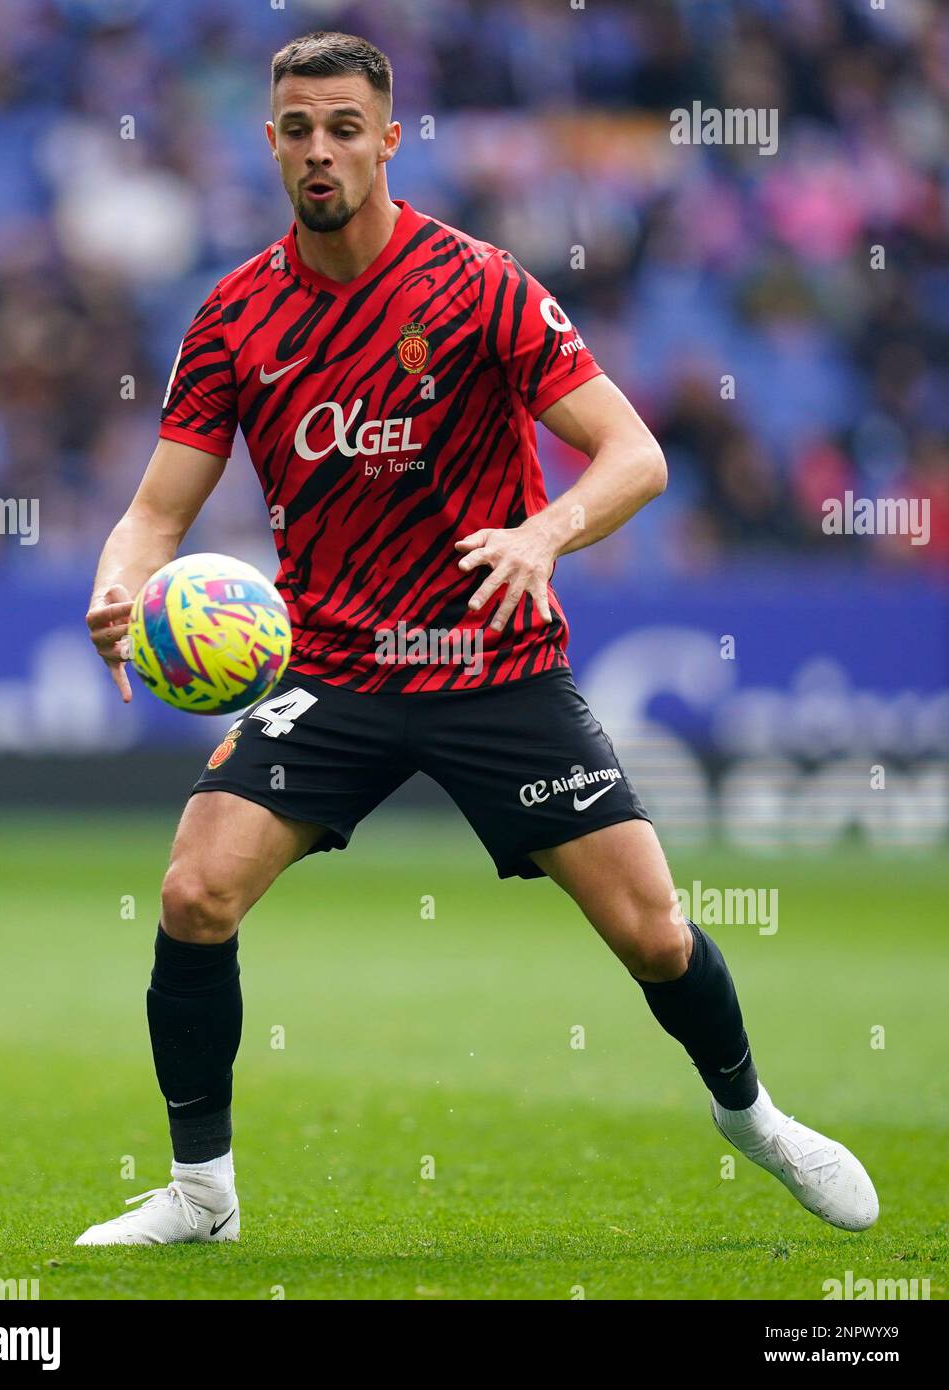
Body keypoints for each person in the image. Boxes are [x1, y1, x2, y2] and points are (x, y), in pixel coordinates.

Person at [76, 30, 877, 1246]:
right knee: (195, 893)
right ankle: (201, 1192)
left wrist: (542, 536)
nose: (319, 151)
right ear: (272, 144)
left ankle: (752, 1118)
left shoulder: (480, 283)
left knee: (653, 933)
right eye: (296, 129)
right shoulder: (234, 316)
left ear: (387, 139)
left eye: (343, 127)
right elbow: (153, 511)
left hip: (489, 659)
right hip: (334, 668)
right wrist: (118, 589)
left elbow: (635, 456)